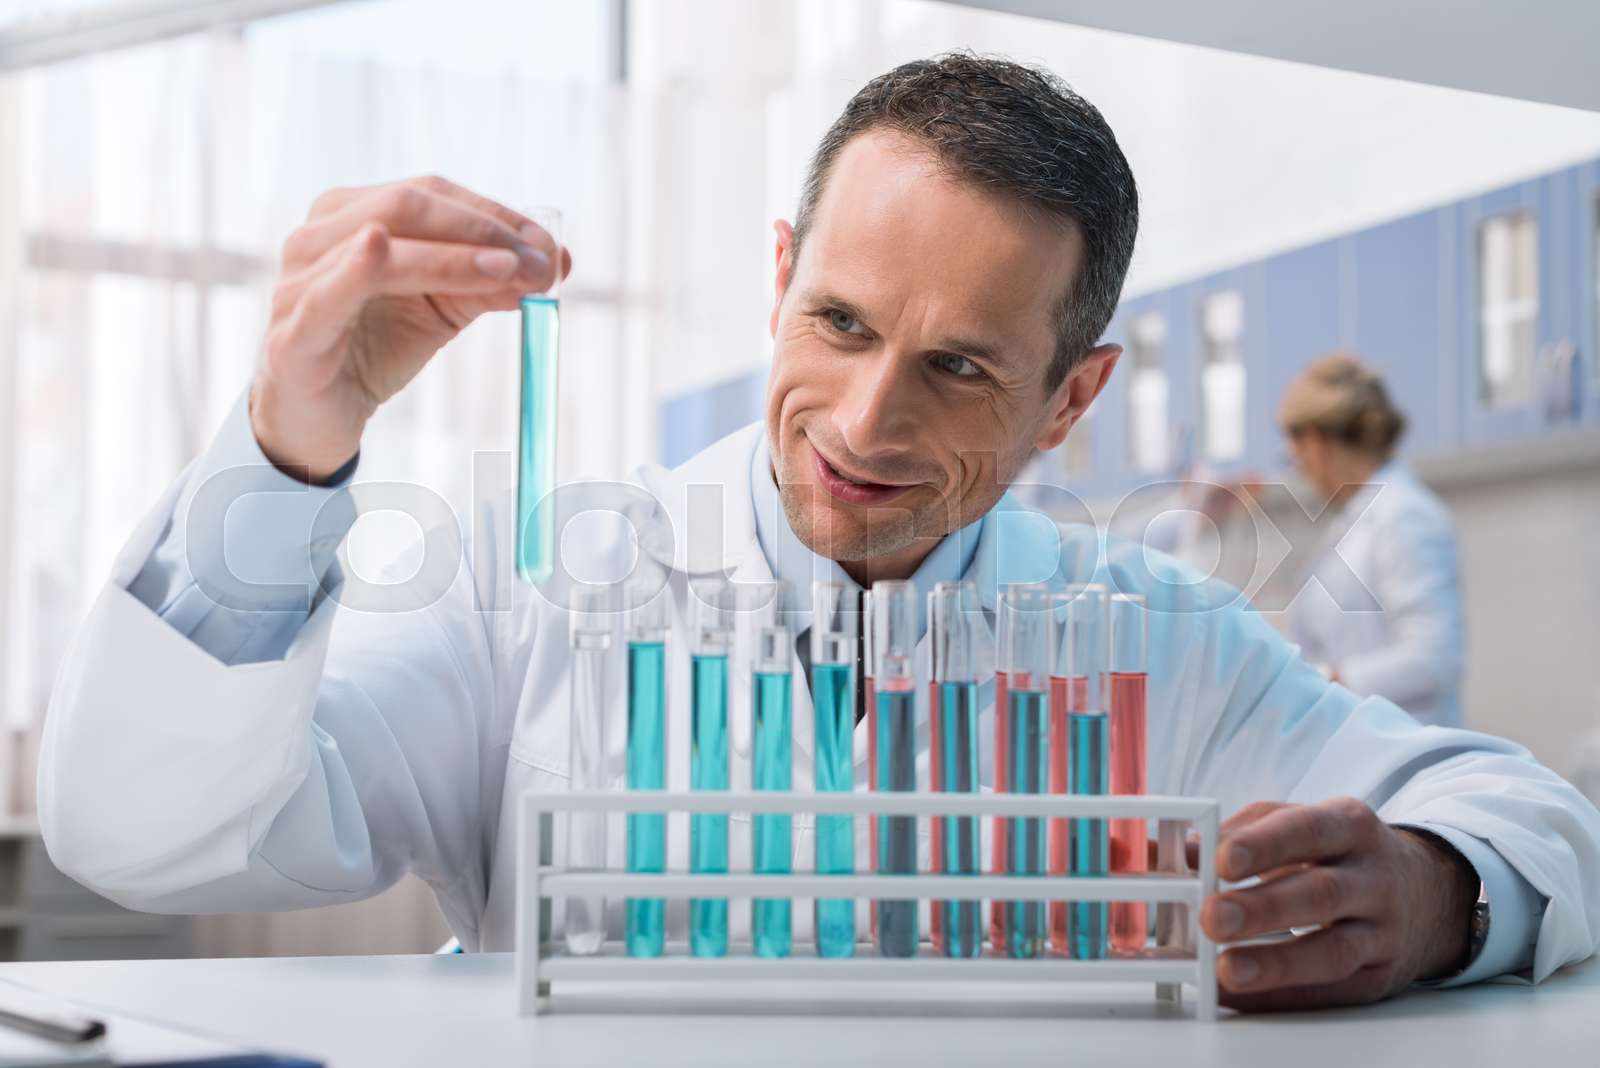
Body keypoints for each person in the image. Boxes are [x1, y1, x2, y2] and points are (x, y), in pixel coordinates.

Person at [38, 54, 1600, 1012]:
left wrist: (1432, 894)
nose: (862, 423)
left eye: (962, 366)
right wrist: (285, 447)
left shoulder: (1148, 634)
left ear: (1072, 401)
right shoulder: (549, 592)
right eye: (838, 320)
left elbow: (1519, 813)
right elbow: (151, 838)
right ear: (780, 269)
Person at [1275, 353, 1463, 726]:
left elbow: (1434, 657)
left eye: (1295, 454)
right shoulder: (1358, 519)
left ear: (1314, 442)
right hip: (1365, 743)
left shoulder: (1405, 515)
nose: (1299, 468)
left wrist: (1326, 681)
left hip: (1407, 749)